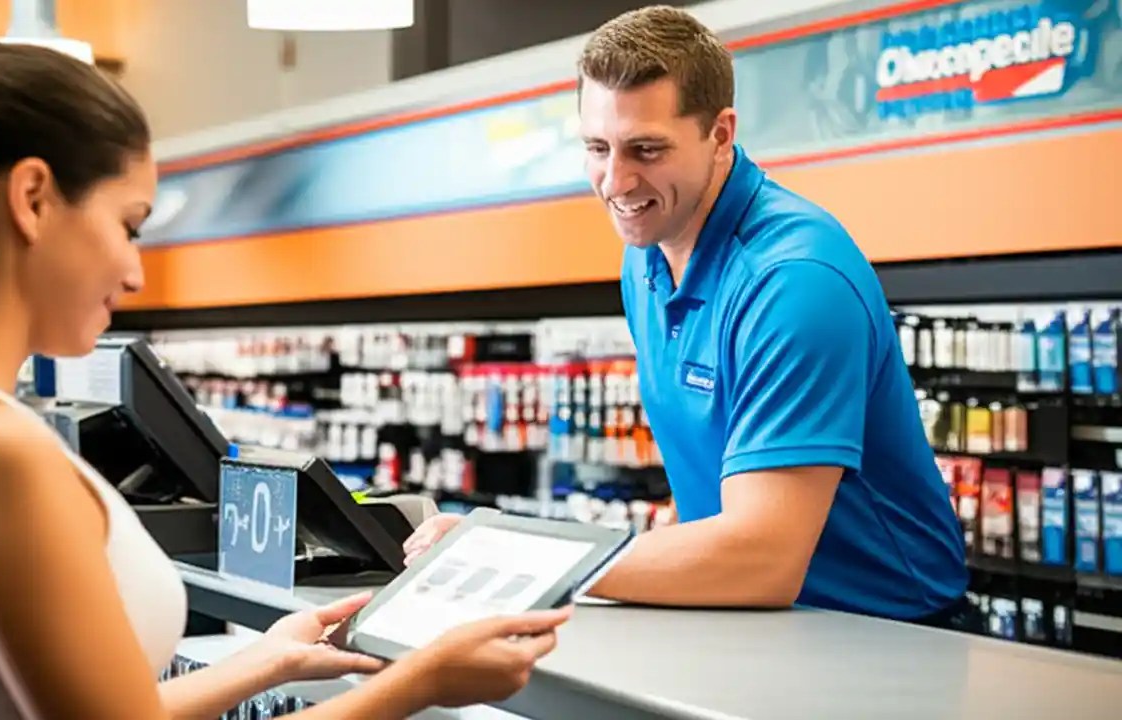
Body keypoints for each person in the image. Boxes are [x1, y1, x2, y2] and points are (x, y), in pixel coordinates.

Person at [0, 41, 571, 720]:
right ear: (32, 198)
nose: (134, 272)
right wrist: (422, 683)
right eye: (129, 226)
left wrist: (266, 660)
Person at [404, 6, 969, 625]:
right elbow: (708, 480)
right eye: (597, 148)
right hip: (749, 620)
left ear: (721, 134)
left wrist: (514, 555)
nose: (615, 182)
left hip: (886, 636)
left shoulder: (794, 282)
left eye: (645, 149)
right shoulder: (645, 257)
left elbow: (763, 557)